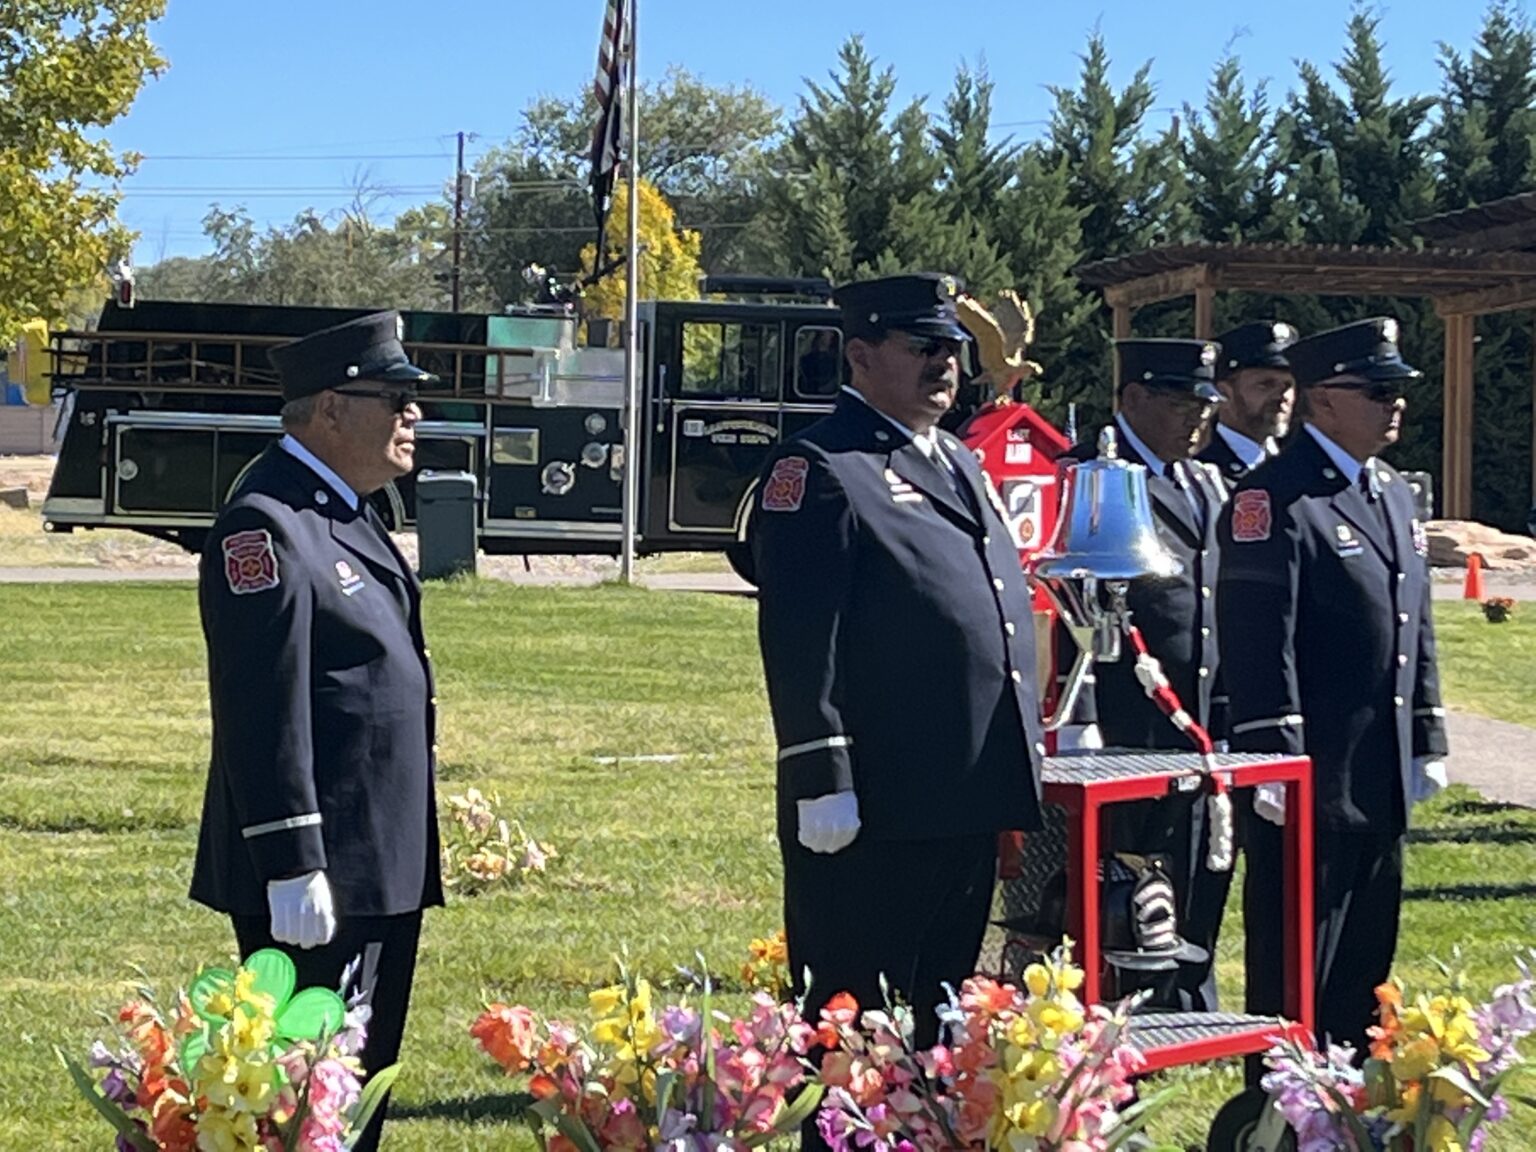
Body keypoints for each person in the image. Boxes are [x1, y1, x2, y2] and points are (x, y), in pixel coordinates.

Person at [745, 272, 1045, 1053]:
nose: (944, 364)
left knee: (943, 1015)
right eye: (921, 347)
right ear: (861, 355)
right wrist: (820, 773)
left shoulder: (958, 460)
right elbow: (800, 638)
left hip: (965, 793)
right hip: (878, 800)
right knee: (856, 1028)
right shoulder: (821, 467)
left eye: (951, 348)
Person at [189, 310, 442, 1152]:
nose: (413, 414)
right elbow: (259, 703)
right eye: (395, 399)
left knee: (355, 1092)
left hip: (373, 860)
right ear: (331, 409)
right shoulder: (268, 524)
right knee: (306, 1104)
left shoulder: (345, 511)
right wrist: (290, 858)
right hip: (321, 869)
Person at [1218, 317, 1449, 1063]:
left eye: (1398, 391)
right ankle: (1282, 1107)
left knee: (1364, 966)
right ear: (1322, 400)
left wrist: (1426, 733)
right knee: (1297, 968)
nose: (1396, 405)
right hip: (1310, 776)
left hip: (1377, 772)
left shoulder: (1392, 493)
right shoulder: (1275, 498)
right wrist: (1272, 756)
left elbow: (1414, 624)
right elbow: (1260, 637)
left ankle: (1352, 1103)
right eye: (1378, 392)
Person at [1058, 338, 1231, 1011]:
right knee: (1130, 880)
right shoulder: (1094, 476)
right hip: (1125, 714)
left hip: (1198, 710)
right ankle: (1132, 1005)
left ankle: (1189, 999)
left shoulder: (1203, 480)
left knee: (1199, 866)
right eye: (1181, 403)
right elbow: (1070, 600)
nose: (1198, 418)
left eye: (1205, 405)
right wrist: (1081, 716)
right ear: (1133, 398)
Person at [1198, 321, 1299, 488]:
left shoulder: (1298, 465)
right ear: (1224, 394)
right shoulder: (1200, 472)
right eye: (1265, 385)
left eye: (1288, 385)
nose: (1282, 396)